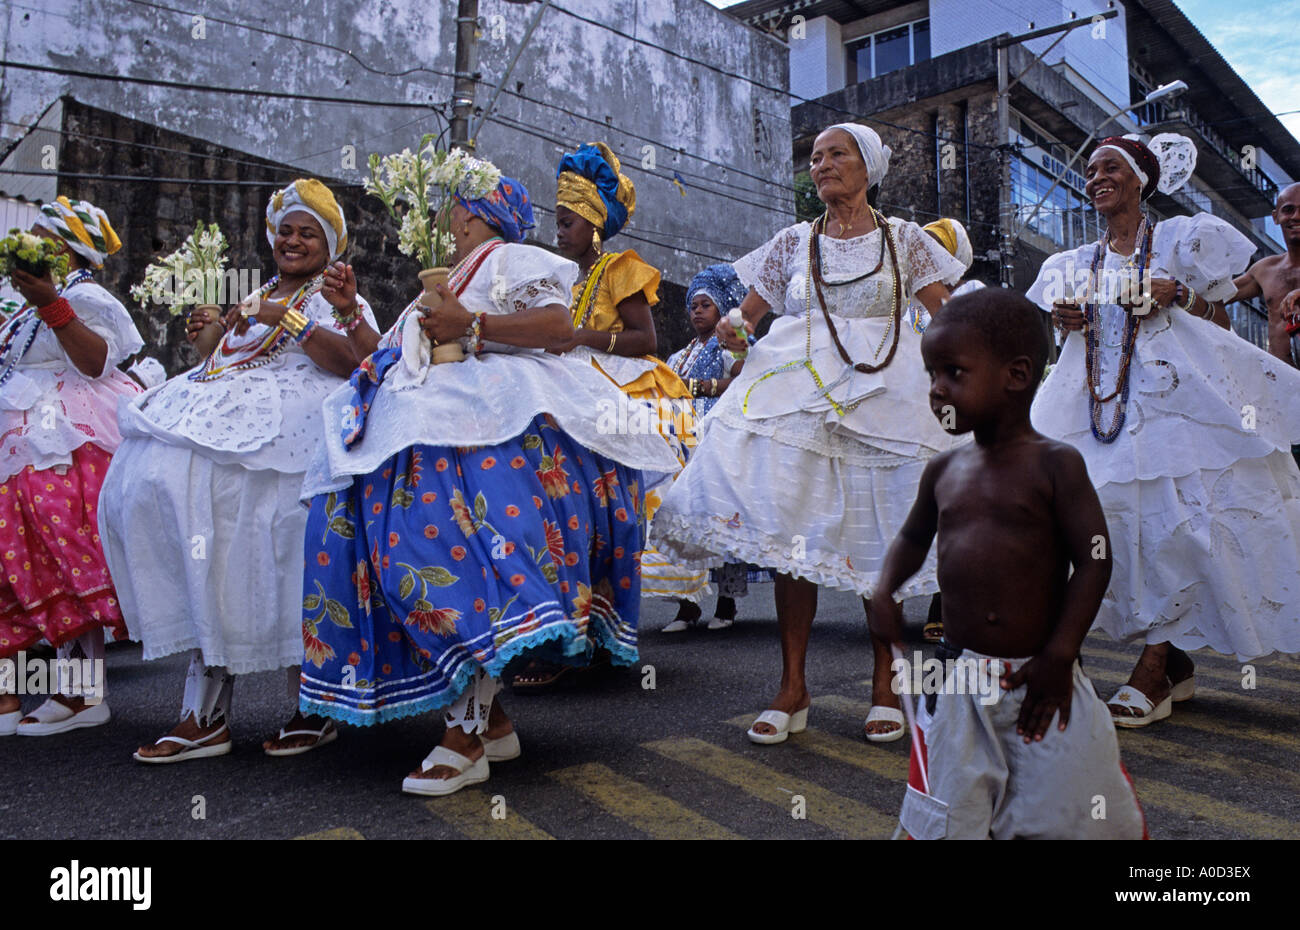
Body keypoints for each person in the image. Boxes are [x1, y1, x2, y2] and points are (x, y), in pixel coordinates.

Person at [294, 171, 677, 796]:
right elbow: (388, 355)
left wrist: (471, 327)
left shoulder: (513, 258)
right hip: (424, 432)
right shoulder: (448, 279)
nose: (447, 222)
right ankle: (490, 721)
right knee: (410, 553)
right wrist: (349, 313)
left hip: (490, 434)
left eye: (453, 211)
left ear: (474, 215)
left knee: (454, 555)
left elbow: (556, 328)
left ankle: (466, 736)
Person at [651, 123, 965, 745]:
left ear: (867, 166)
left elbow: (948, 315)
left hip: (889, 396)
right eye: (815, 158)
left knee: (883, 537)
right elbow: (746, 316)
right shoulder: (793, 241)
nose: (820, 165)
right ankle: (792, 687)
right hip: (798, 392)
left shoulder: (904, 239)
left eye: (835, 154)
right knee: (792, 534)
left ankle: (885, 682)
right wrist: (734, 334)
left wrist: (955, 380)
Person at [97, 179, 378, 762]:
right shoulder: (260, 291)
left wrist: (287, 318)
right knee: (205, 542)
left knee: (280, 556)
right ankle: (204, 713)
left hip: (291, 445)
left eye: (307, 232)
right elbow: (228, 359)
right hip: (231, 427)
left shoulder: (334, 294)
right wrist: (211, 337)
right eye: (285, 230)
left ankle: (314, 706)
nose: (292, 240)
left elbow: (358, 361)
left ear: (329, 245)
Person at [1027, 134, 1300, 727]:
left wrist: (1177, 296)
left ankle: (1153, 668)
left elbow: (1221, 321)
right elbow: (1073, 340)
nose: (1096, 177)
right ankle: (1169, 661)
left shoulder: (1182, 241)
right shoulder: (1070, 265)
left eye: (1110, 168)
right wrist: (1064, 321)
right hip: (1096, 413)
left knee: (1177, 530)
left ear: (1141, 181)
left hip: (1179, 411)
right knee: (1106, 531)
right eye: (1091, 170)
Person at [868, 288, 1145, 839]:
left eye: (953, 372)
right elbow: (911, 536)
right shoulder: (945, 470)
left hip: (1039, 679)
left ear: (1016, 376)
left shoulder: (1055, 465)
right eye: (931, 374)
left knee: (1064, 809)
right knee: (950, 814)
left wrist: (1060, 654)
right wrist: (884, 590)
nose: (936, 389)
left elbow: (1095, 560)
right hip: (957, 681)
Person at [509, 142, 704, 688]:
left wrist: (581, 338)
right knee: (554, 512)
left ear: (594, 224)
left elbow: (646, 338)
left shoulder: (621, 269)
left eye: (569, 222)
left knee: (597, 516)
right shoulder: (551, 274)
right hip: (563, 391)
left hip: (610, 394)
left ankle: (589, 633)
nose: (559, 230)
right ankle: (561, 632)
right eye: (557, 220)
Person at [0, 197, 143, 736]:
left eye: (42, 237)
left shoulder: (83, 295)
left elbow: (97, 361)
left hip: (63, 437)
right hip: (17, 438)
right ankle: (7, 693)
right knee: (15, 561)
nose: (29, 245)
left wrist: (51, 303)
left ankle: (82, 693)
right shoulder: (17, 307)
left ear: (68, 249)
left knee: (63, 553)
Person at [662, 263, 771, 631]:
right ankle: (687, 605)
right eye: (693, 306)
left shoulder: (731, 345)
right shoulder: (680, 355)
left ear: (723, 307)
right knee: (685, 517)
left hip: (716, 436)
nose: (696, 312)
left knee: (720, 516)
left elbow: (745, 378)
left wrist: (703, 387)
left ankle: (725, 605)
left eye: (705, 305)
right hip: (682, 442)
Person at [907, 217, 984, 644]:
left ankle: (944, 601)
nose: (927, 255)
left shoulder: (968, 296)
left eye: (937, 247)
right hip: (906, 416)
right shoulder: (900, 300)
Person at [1232, 182, 1300, 366]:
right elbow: (1218, 294)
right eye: (1288, 210)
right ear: (1276, 217)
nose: (1296, 216)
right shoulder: (1265, 269)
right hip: (1279, 383)